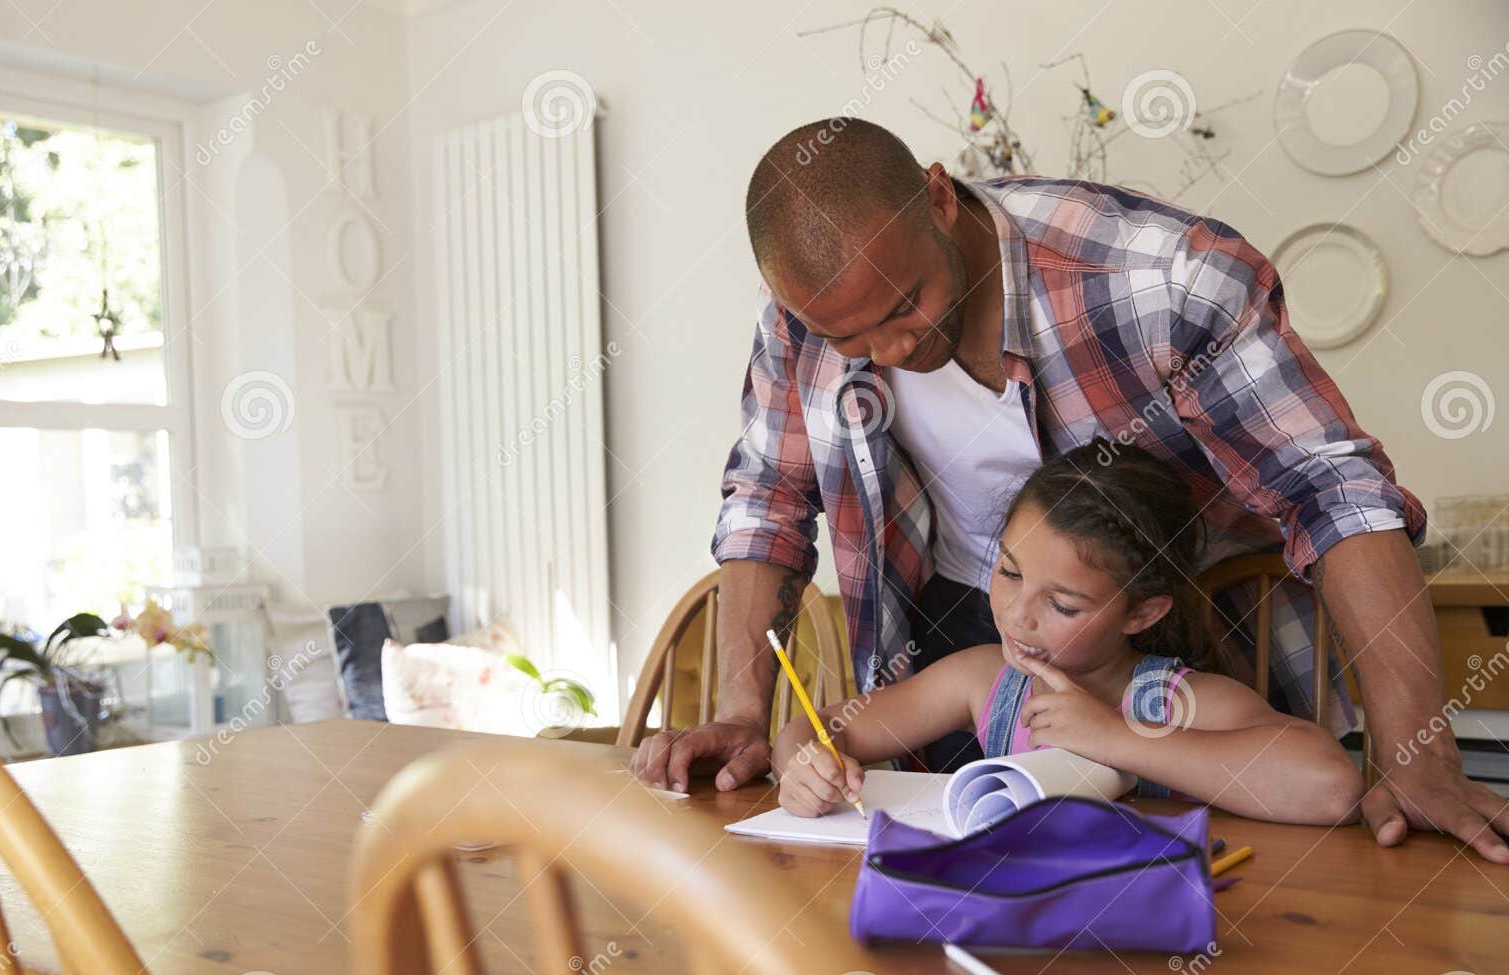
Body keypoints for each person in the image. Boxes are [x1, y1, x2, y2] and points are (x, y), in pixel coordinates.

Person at [628, 117, 1508, 863]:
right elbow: (770, 502)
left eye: (906, 308)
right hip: (941, 616)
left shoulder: (1164, 278)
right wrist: (750, 715)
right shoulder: (807, 308)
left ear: (940, 197)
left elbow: (1335, 492)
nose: (886, 353)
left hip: (1173, 629)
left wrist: (1416, 748)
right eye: (847, 338)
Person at [771, 443, 1363, 825]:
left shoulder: (1178, 701)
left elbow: (1330, 786)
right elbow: (816, 726)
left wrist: (1116, 738)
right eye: (1008, 572)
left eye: (1061, 604)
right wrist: (805, 765)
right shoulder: (983, 681)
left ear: (1141, 615)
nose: (1018, 615)